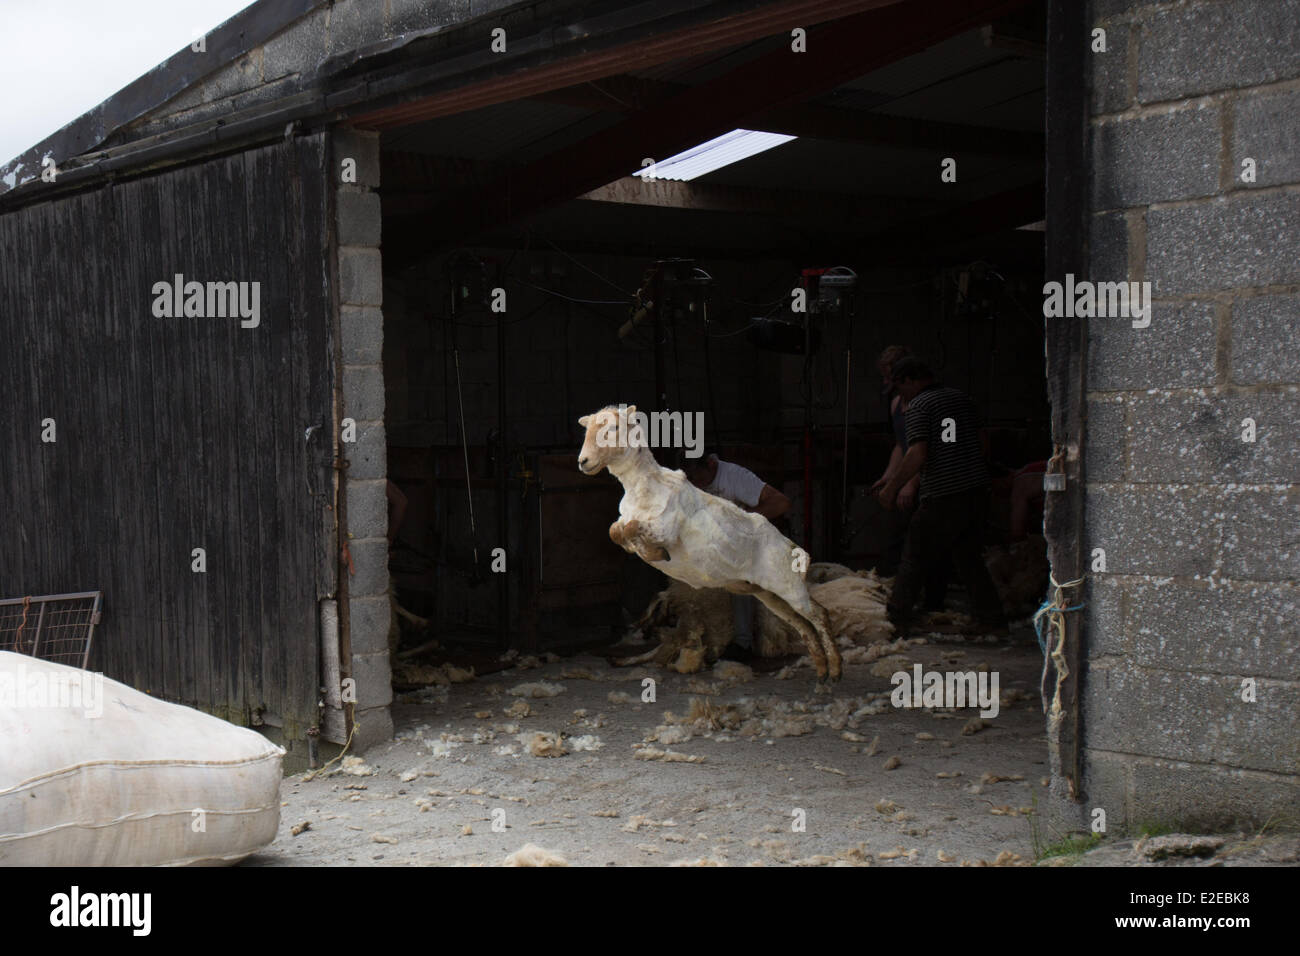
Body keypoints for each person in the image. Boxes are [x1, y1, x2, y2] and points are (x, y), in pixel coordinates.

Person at [876, 357, 1007, 635]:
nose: (901, 396)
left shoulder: (920, 406)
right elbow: (983, 442)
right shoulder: (962, 399)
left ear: (911, 380)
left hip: (944, 493)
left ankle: (896, 618)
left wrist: (892, 488)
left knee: (915, 552)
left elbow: (916, 452)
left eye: (901, 388)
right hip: (975, 490)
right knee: (968, 555)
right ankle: (992, 618)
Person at [678, 450, 791, 659]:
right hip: (716, 545)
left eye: (698, 477)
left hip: (751, 542)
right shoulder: (689, 484)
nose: (696, 484)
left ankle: (743, 644)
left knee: (739, 575)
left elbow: (781, 502)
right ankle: (696, 640)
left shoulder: (735, 477)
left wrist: (741, 522)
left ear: (711, 465)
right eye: (690, 479)